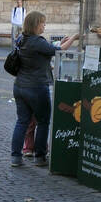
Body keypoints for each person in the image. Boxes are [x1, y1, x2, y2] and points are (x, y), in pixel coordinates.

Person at [10, 11, 78, 167]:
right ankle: (40, 157)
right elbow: (58, 51)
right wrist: (73, 38)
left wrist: (60, 42)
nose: (44, 25)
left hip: (19, 86)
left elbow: (48, 48)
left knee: (22, 122)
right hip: (36, 87)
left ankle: (15, 157)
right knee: (43, 122)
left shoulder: (22, 39)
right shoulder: (37, 41)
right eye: (43, 22)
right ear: (35, 24)